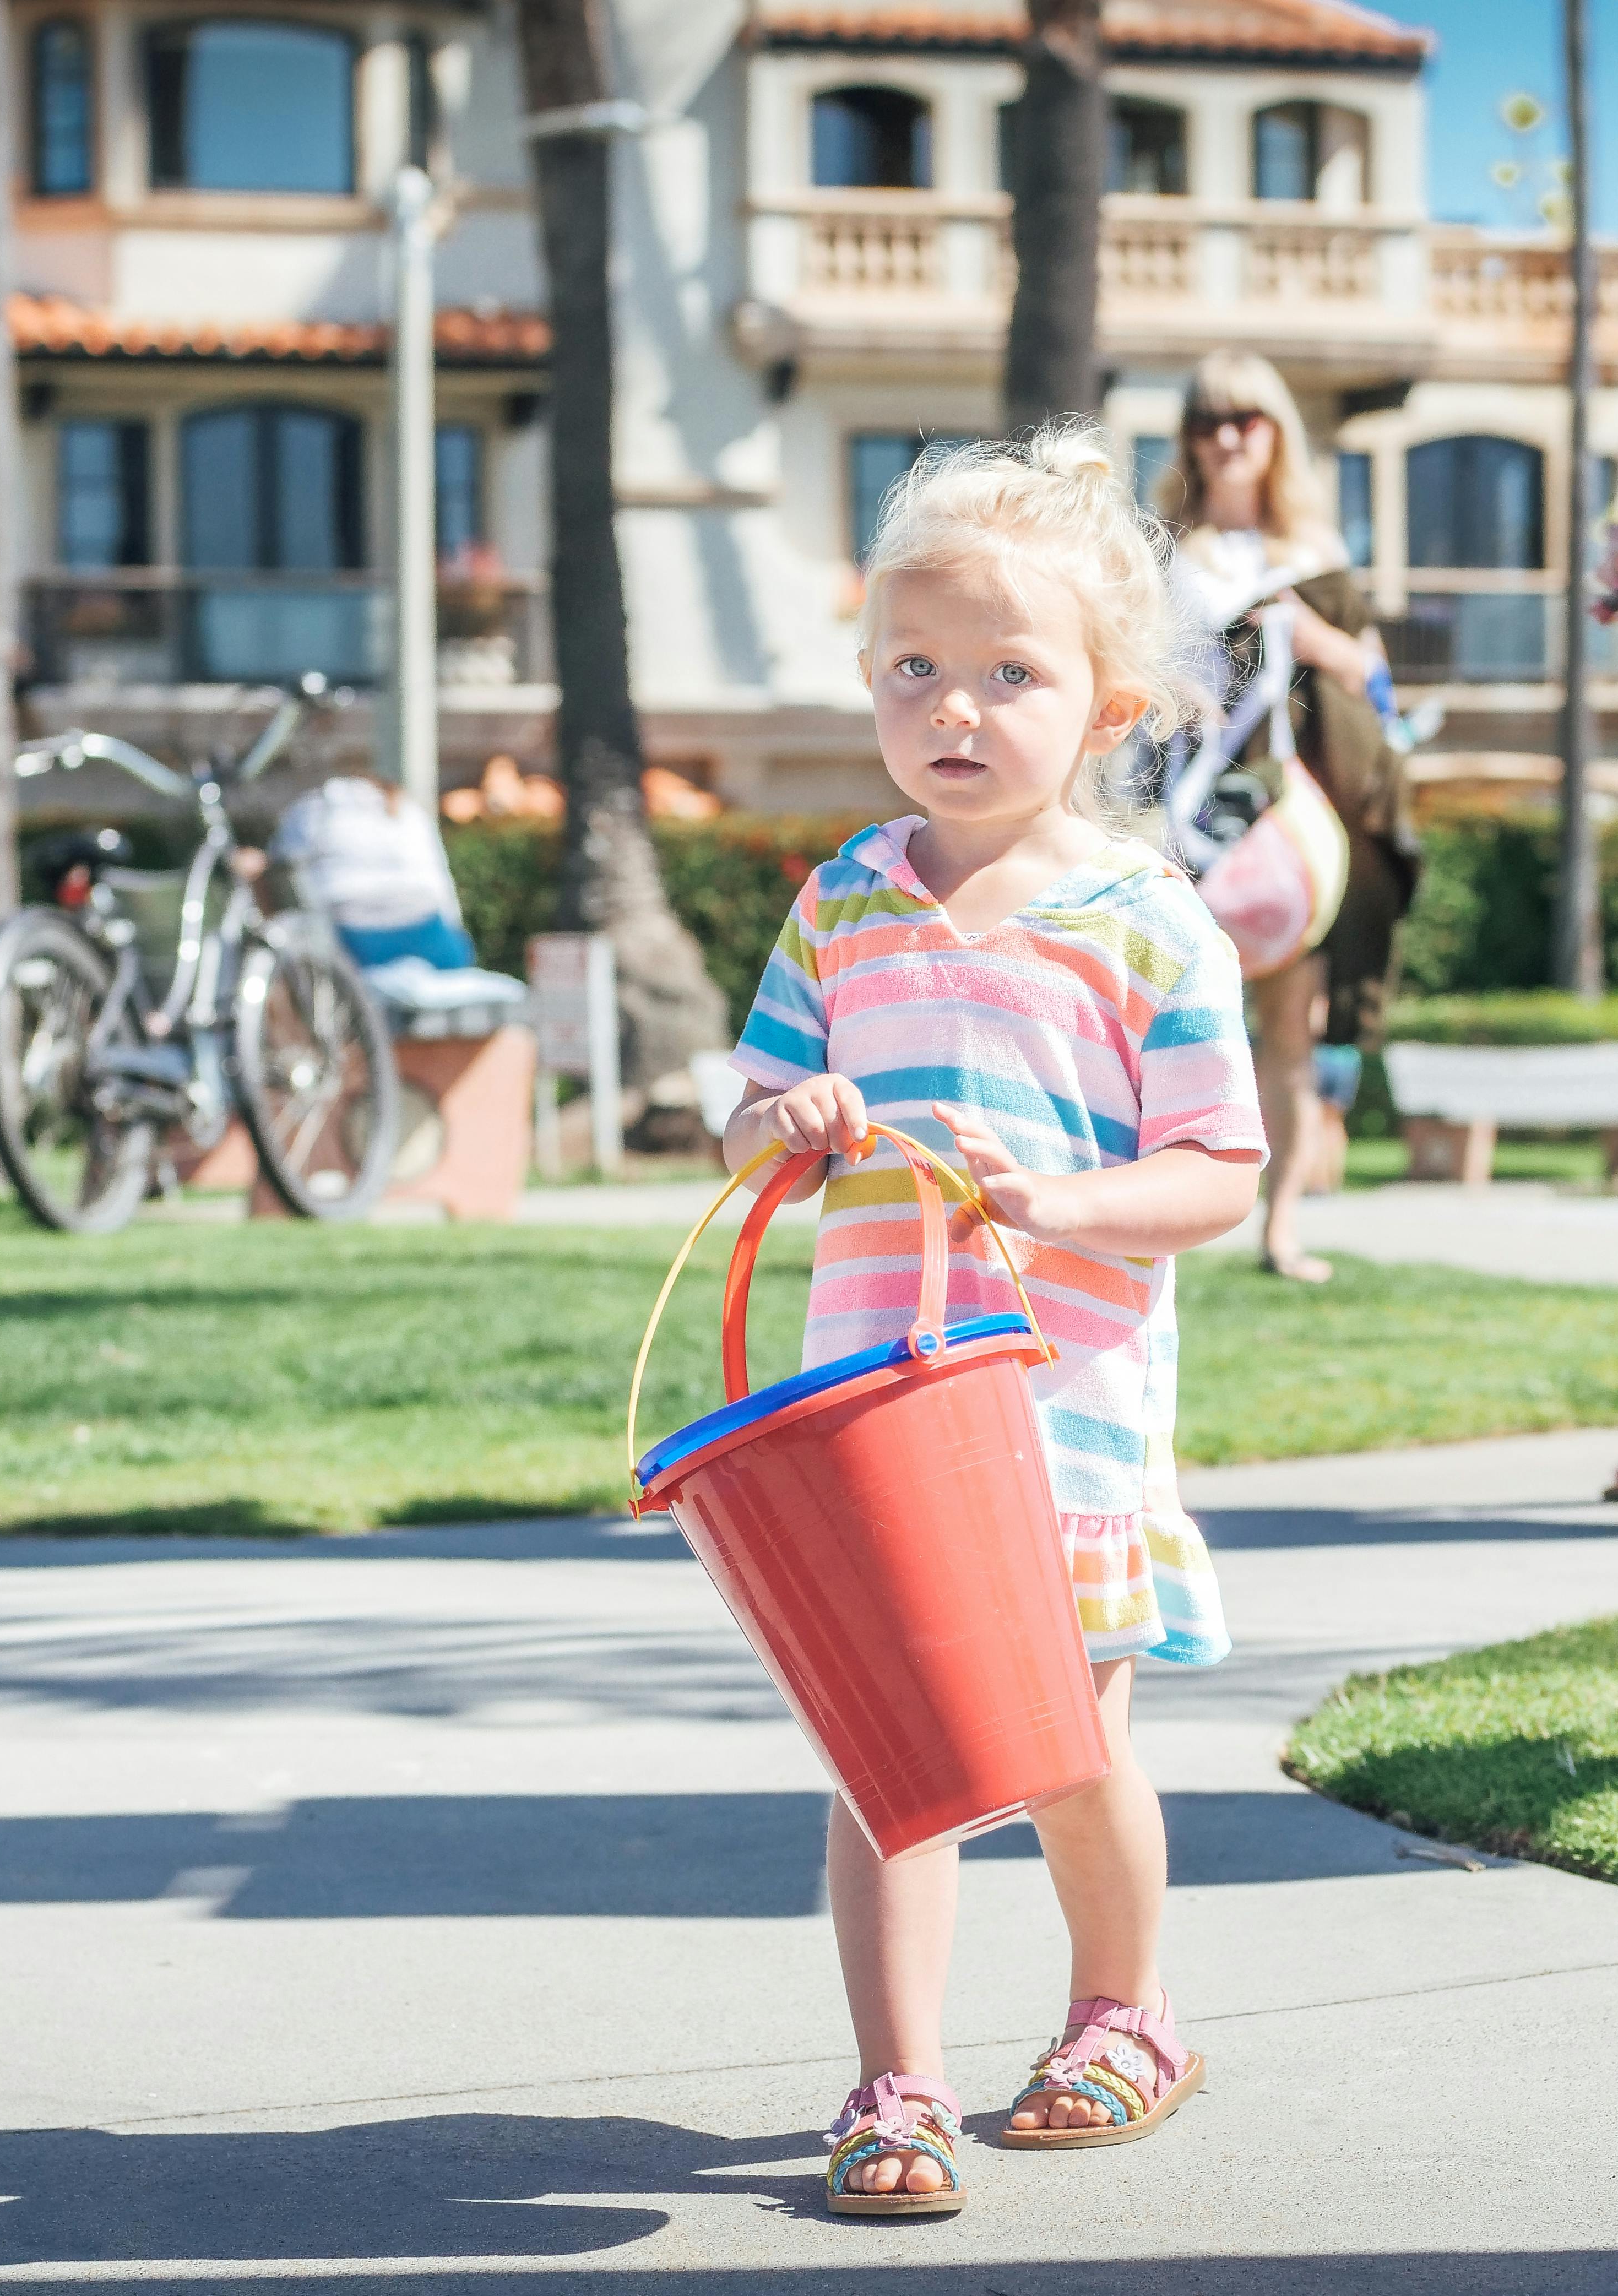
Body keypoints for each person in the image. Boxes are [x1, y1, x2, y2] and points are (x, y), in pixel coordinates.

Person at [722, 430, 1266, 2217]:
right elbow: (751, 1115)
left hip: (1060, 1399)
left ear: (1105, 705)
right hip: (875, 1402)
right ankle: (897, 2075)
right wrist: (779, 1127)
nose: (951, 708)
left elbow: (1215, 1171)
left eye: (1006, 674)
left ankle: (1124, 2008)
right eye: (912, 669)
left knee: (1065, 1738)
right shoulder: (842, 901)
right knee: (893, 1753)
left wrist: (1050, 1195)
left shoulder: (1141, 918)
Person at [1167, 351, 1417, 1282]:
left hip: (1285, 831)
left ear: (1276, 432)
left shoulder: (1318, 560)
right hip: (1182, 820)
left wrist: (1312, 639)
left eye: (1245, 419)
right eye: (1206, 421)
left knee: (1289, 1029)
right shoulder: (1163, 557)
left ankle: (1280, 1231)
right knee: (1158, 1022)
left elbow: (1380, 687)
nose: (1226, 437)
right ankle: (1149, 1223)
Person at [269, 770, 476, 972]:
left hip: (357, 938)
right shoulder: (409, 811)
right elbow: (441, 886)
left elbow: (284, 865)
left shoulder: (316, 808)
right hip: (433, 936)